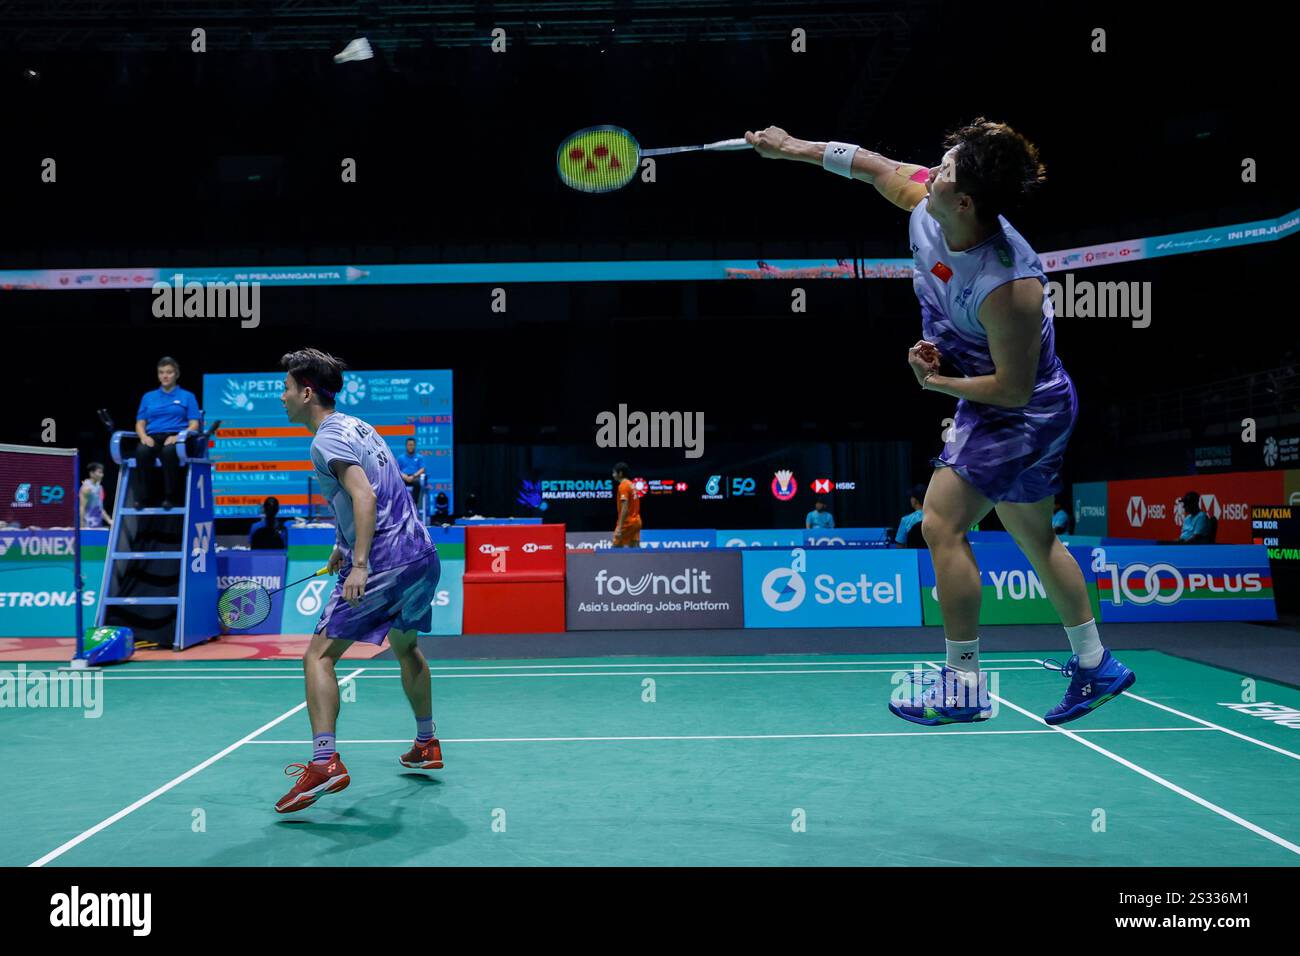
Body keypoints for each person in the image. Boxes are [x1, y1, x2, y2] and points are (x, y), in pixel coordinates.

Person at [745, 119, 1134, 726]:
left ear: (967, 201)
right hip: (1017, 402)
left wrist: (937, 382)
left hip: (1022, 411)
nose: (930, 171)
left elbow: (1012, 388)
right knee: (1035, 536)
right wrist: (793, 148)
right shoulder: (932, 204)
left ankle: (963, 685)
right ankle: (1096, 662)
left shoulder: (1009, 285)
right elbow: (871, 162)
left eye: (945, 169)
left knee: (939, 523)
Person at [273, 348, 444, 814]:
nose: (282, 397)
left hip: (385, 562)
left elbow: (364, 496)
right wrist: (342, 545)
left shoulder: (325, 440)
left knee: (317, 658)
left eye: (287, 388)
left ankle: (325, 762)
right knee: (406, 646)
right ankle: (426, 743)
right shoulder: (358, 426)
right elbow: (368, 493)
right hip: (421, 556)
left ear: (307, 392)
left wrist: (361, 562)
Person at [133, 356, 201, 509]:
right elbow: (140, 422)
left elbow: (194, 424)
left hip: (178, 436)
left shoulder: (187, 396)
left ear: (176, 374)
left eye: (169, 372)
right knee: (141, 451)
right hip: (153, 436)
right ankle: (144, 498)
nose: (165, 376)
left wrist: (179, 436)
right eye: (161, 372)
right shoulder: (148, 397)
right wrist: (143, 436)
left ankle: (171, 497)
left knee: (169, 452)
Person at [612, 462, 641, 547]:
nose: (613, 475)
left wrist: (620, 527)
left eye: (614, 473)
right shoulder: (631, 484)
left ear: (620, 473)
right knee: (635, 550)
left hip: (628, 523)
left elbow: (625, 508)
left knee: (614, 550)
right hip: (637, 521)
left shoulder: (623, 486)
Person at [396, 437, 426, 510]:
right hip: (404, 477)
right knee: (396, 483)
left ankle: (413, 504)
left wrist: (414, 476)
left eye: (412, 445)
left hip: (414, 477)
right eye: (409, 445)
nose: (410, 446)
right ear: (406, 446)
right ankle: (400, 504)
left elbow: (422, 469)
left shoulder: (419, 457)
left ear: (415, 446)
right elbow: (396, 469)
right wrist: (404, 476)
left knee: (417, 483)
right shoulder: (400, 458)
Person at [80, 462, 112, 528]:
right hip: (87, 524)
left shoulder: (100, 488)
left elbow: (100, 508)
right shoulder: (86, 488)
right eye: (99, 472)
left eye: (102, 473)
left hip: (98, 524)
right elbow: (81, 507)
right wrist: (81, 524)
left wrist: (109, 520)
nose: (102, 475)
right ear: (91, 473)